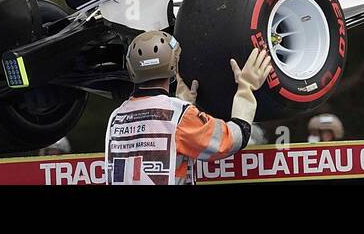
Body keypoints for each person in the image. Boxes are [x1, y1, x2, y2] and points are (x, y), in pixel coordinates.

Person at [105, 31, 272, 185]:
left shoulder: (117, 117)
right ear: (173, 64)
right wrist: (246, 88)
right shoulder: (179, 116)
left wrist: (182, 103)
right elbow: (229, 141)